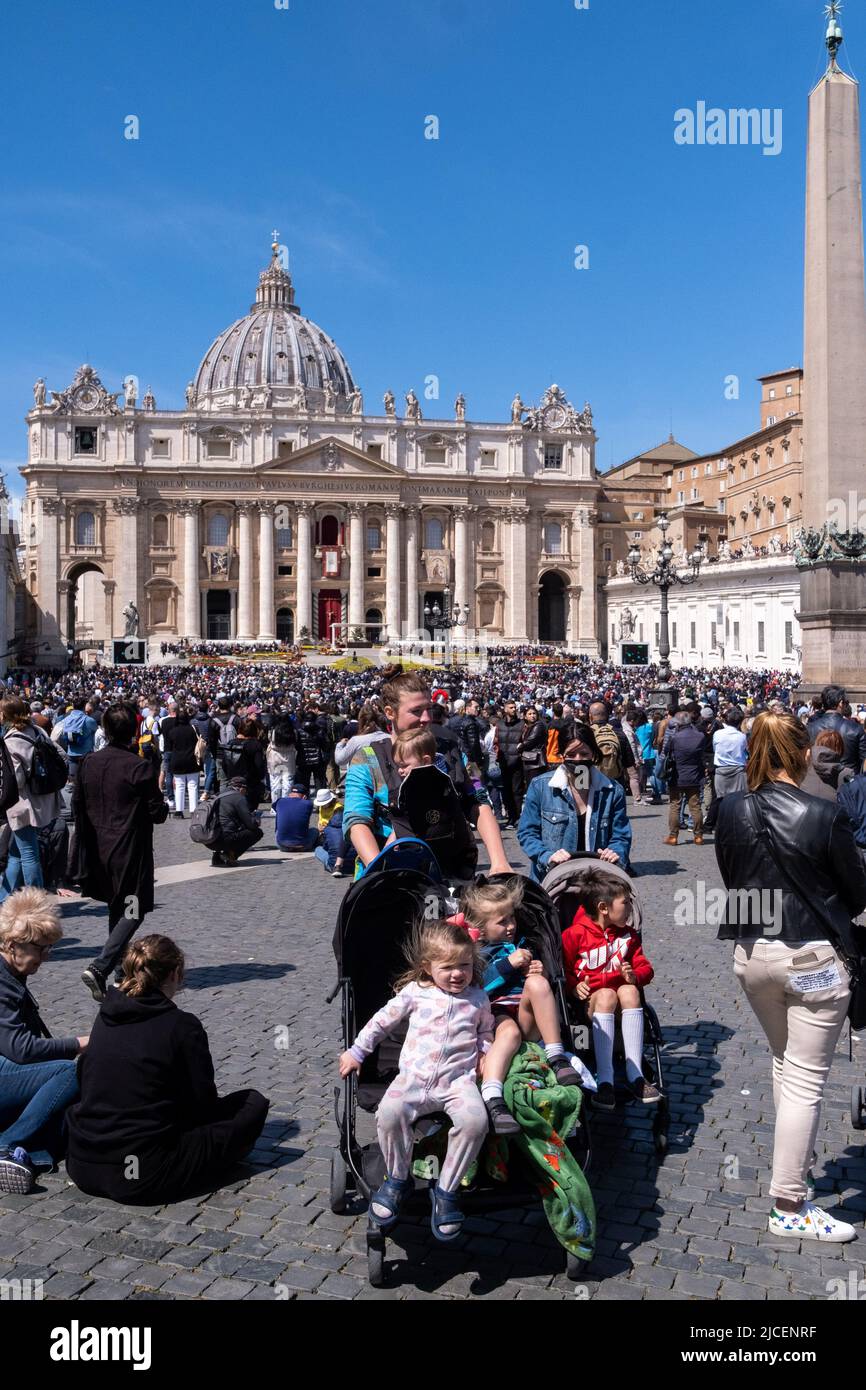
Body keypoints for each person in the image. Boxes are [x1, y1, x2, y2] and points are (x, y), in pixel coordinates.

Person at [715, 710, 866, 1242]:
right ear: (803, 754)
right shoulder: (823, 814)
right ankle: (789, 1204)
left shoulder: (729, 808)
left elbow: (734, 880)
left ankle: (793, 1166)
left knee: (785, 1064)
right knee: (805, 1079)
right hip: (813, 961)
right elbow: (858, 892)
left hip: (753, 954)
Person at [66, 935, 269, 1204]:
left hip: (83, 1163)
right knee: (253, 1103)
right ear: (175, 974)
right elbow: (203, 1105)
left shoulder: (105, 1015)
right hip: (142, 1174)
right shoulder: (182, 1026)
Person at [339, 919, 492, 1242]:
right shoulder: (416, 993)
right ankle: (397, 1179)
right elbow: (381, 1022)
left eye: (464, 965)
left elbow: (485, 1032)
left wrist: (484, 1054)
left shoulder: (478, 998)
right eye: (448, 967)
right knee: (390, 1113)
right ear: (427, 967)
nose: (457, 974)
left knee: (476, 1121)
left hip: (457, 1082)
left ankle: (447, 1190)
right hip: (414, 1079)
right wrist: (356, 1051)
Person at [344, 671, 511, 879]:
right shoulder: (367, 759)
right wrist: (379, 872)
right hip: (391, 874)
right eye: (416, 711)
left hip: (451, 873)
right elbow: (357, 821)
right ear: (390, 712)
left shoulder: (453, 752)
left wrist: (499, 861)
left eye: (428, 709)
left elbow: (479, 801)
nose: (426, 718)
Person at [460, 878, 578, 1136]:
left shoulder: (524, 943)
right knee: (510, 1032)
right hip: (496, 1012)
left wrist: (540, 971)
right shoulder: (476, 953)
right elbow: (476, 986)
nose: (511, 926)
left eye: (512, 918)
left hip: (528, 1013)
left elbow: (540, 985)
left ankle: (556, 1055)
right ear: (479, 929)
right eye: (502, 922)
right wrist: (507, 965)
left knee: (537, 983)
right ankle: (493, 1095)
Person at [74, 703, 168, 1001]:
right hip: (129, 850)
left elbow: (77, 804)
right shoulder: (138, 767)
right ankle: (101, 967)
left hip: (98, 846)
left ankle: (120, 971)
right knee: (133, 909)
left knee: (118, 907)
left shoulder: (89, 762)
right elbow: (156, 812)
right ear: (134, 731)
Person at [0, 888, 87, 1194]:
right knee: (68, 1072)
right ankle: (6, 1145)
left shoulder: (10, 972)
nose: (46, 957)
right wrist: (82, 1042)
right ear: (12, 945)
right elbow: (22, 1049)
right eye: (40, 949)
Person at [562, 868, 659, 1110]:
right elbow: (562, 971)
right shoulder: (574, 935)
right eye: (625, 903)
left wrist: (634, 975)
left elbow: (646, 968)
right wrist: (574, 987)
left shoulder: (628, 936)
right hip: (591, 1005)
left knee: (629, 990)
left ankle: (635, 1072)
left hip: (623, 1004)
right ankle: (605, 1079)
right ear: (604, 908)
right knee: (606, 994)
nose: (629, 908)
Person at [517, 727, 632, 882]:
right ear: (561, 755)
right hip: (553, 880)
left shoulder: (612, 791)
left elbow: (621, 835)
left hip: (597, 881)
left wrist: (615, 851)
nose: (578, 759)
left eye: (584, 754)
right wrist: (547, 856)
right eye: (571, 754)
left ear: (594, 754)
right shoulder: (540, 786)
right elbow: (527, 832)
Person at [0, 697, 68, 902]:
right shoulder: (38, 731)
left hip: (24, 805)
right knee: (16, 852)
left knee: (28, 854)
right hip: (44, 801)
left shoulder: (12, 741)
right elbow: (61, 755)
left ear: (7, 715)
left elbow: (17, 779)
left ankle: (36, 901)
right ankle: (5, 897)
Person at [661, 709, 708, 846]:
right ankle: (698, 836)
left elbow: (666, 753)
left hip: (677, 775)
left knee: (675, 805)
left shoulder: (675, 738)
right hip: (695, 774)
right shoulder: (700, 736)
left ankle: (673, 836)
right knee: (695, 806)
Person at [807, 684, 866, 775]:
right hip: (849, 781)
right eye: (845, 703)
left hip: (817, 782)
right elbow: (863, 761)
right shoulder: (856, 729)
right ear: (840, 703)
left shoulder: (810, 728)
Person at [208, 776, 263, 867]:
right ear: (241, 788)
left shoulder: (218, 794)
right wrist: (256, 821)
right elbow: (251, 824)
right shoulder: (238, 798)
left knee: (223, 826)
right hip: (224, 839)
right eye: (246, 790)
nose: (246, 793)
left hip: (209, 839)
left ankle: (217, 856)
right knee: (257, 832)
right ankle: (231, 855)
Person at [218, 718, 267, 811]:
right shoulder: (255, 745)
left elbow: (225, 764)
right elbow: (259, 765)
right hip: (250, 783)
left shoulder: (231, 743)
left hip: (233, 781)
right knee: (249, 810)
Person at [163, 706, 200, 819]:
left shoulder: (172, 732)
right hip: (191, 760)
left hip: (177, 760)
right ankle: (193, 810)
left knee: (179, 786)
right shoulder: (193, 730)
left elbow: (169, 747)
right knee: (193, 786)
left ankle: (179, 811)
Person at [51, 697, 98, 781]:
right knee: (86, 780)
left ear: (73, 705)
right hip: (86, 753)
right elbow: (96, 730)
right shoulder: (89, 720)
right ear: (84, 706)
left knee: (73, 780)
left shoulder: (66, 719)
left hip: (71, 753)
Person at [312, 788, 355, 877]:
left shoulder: (339, 808)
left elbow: (326, 845)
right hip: (352, 863)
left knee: (318, 850)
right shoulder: (351, 827)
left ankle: (335, 863)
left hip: (328, 835)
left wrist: (326, 830)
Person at [801, 729, 852, 802]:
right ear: (840, 748)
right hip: (835, 812)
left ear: (817, 744)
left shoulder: (802, 769)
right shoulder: (847, 774)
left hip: (804, 809)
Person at [495, 699, 524, 827]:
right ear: (505, 709)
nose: (514, 709)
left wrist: (519, 753)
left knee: (517, 791)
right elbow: (496, 741)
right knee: (506, 791)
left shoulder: (522, 724)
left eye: (514, 707)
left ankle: (517, 817)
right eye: (511, 707)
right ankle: (511, 816)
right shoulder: (500, 724)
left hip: (517, 762)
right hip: (503, 762)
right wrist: (498, 753)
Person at [711, 707, 748, 803]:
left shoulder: (717, 734)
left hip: (721, 770)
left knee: (721, 800)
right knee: (738, 801)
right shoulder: (742, 737)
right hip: (738, 770)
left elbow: (716, 749)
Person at [274, 782, 317, 852]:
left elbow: (275, 808)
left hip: (282, 845)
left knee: (279, 830)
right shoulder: (308, 804)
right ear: (304, 796)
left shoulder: (280, 801)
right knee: (315, 831)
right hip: (303, 845)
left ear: (290, 794)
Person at [266, 710, 297, 803]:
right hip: (289, 758)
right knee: (288, 782)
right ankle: (286, 804)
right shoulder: (293, 731)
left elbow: (269, 739)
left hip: (274, 757)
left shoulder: (273, 731)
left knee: (275, 782)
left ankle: (275, 805)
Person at [517, 706, 548, 787]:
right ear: (525, 716)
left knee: (535, 786)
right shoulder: (528, 726)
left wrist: (519, 747)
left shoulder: (538, 725)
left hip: (536, 761)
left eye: (534, 713)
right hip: (529, 760)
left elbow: (530, 740)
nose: (532, 715)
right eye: (529, 714)